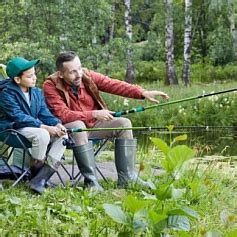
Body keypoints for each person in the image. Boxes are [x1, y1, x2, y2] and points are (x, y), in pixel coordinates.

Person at [43, 51, 169, 190]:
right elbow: (63, 114)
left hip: (93, 126)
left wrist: (142, 92)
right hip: (70, 131)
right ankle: (91, 182)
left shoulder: (87, 76)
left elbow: (113, 84)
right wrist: (94, 114)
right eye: (73, 72)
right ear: (61, 74)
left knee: (124, 124)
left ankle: (127, 178)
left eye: (79, 68)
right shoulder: (50, 85)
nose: (79, 74)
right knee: (79, 126)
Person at [0, 57, 67, 194]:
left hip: (31, 129)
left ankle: (39, 180)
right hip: (11, 130)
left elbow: (44, 114)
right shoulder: (5, 93)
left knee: (63, 136)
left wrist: (57, 124)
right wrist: (45, 127)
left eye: (34, 74)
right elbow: (18, 116)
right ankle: (34, 176)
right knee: (42, 134)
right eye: (30, 76)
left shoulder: (36, 93)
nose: (34, 78)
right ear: (18, 79)